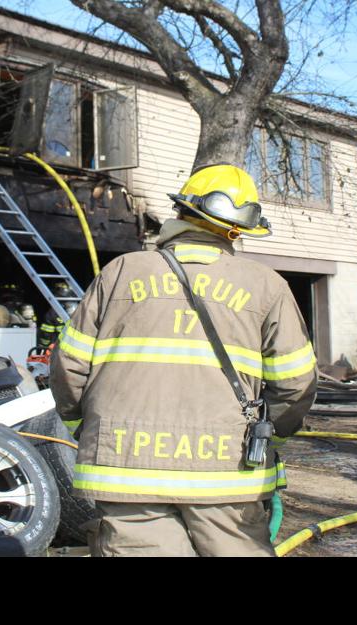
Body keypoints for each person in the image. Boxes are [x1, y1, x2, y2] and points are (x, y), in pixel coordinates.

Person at [49, 164, 317, 556]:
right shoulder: (267, 286)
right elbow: (296, 382)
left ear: (181, 212)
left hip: (127, 466)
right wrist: (267, 436)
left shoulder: (121, 272)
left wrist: (86, 428)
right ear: (238, 230)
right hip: (228, 472)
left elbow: (68, 367)